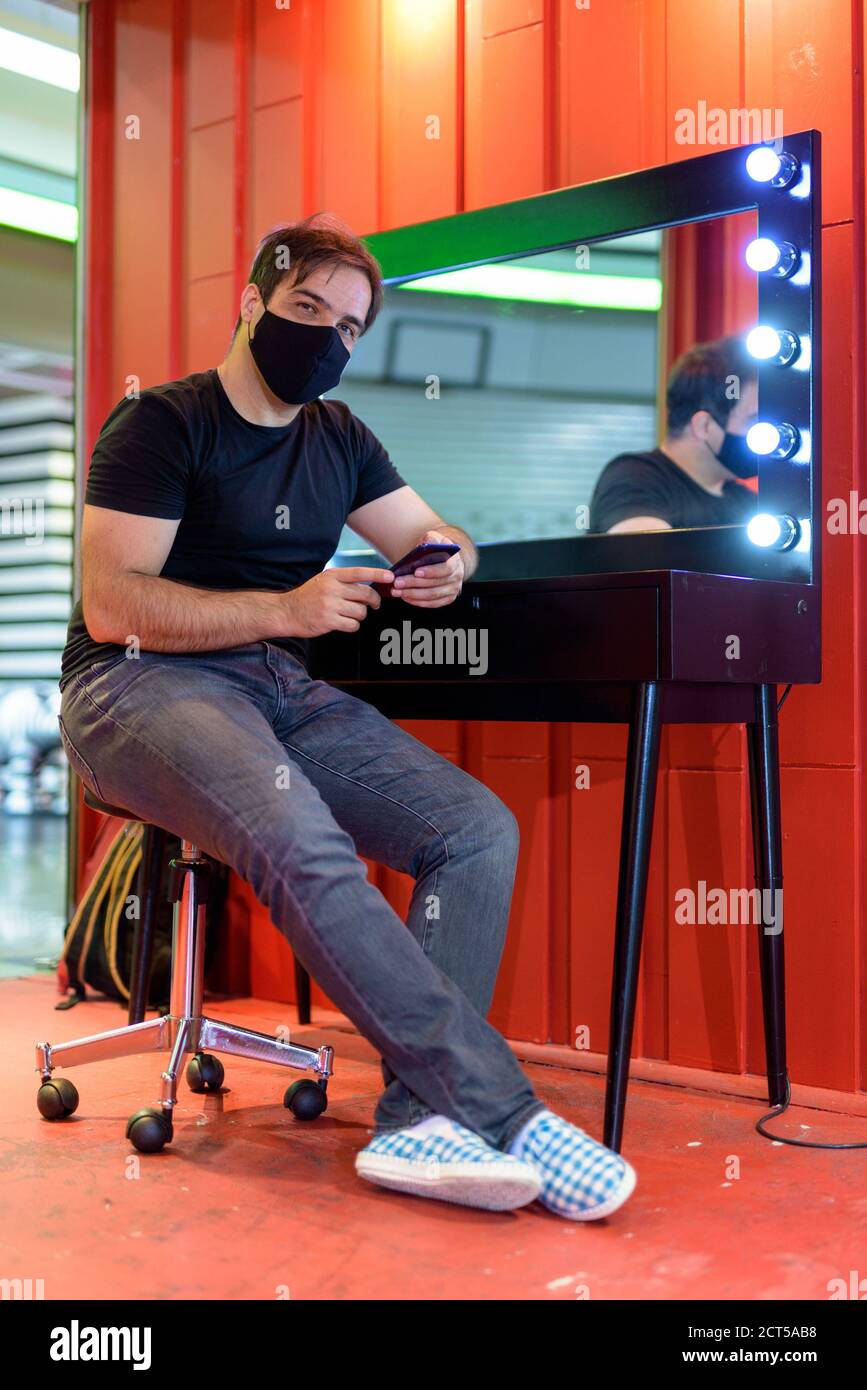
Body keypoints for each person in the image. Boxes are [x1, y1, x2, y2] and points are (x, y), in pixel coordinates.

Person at [58, 213, 636, 1220]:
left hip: (273, 691)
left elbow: (436, 532)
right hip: (132, 688)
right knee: (300, 836)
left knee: (474, 828)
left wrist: (450, 563)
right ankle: (502, 1111)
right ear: (251, 304)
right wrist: (285, 609)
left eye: (349, 326)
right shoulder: (161, 423)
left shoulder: (341, 440)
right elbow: (117, 604)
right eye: (306, 310)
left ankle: (417, 1123)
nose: (327, 337)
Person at [589, 335, 760, 534]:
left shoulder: (746, 504)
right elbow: (645, 556)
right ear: (704, 426)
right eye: (754, 420)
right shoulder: (634, 478)